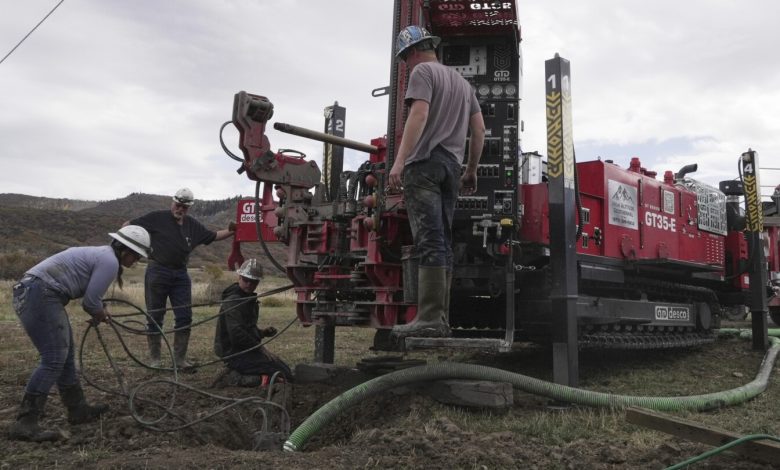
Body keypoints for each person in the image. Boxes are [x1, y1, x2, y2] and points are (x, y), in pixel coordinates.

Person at [8, 225, 151, 442]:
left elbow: (93, 299)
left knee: (64, 356)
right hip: (40, 294)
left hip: (38, 292)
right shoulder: (110, 261)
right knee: (54, 358)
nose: (137, 261)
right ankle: (25, 422)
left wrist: (98, 310)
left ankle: (77, 410)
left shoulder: (104, 255)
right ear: (125, 249)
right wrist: (100, 313)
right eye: (137, 256)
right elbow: (91, 302)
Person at [388, 25, 486, 340]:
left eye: (405, 58)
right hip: (451, 169)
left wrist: (400, 161)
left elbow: (418, 114)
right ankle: (439, 318)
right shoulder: (463, 84)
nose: (406, 64)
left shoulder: (422, 74)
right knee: (442, 240)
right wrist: (470, 170)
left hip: (425, 166)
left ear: (411, 52)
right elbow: (480, 130)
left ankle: (428, 317)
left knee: (429, 240)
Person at [125, 188, 235, 369]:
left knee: (184, 317)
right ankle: (155, 361)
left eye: (184, 207)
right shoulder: (157, 217)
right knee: (155, 316)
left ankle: (179, 360)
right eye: (178, 205)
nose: (180, 209)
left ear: (189, 207)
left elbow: (213, 236)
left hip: (180, 274)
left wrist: (233, 231)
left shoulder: (192, 225)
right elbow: (129, 225)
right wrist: (129, 246)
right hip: (157, 271)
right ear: (172, 202)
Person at [213, 259, 292, 386]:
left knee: (286, 371)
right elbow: (236, 334)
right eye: (246, 280)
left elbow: (247, 329)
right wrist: (260, 348)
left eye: (253, 281)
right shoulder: (233, 301)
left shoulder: (248, 299)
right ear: (239, 277)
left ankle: (242, 371)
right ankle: (233, 378)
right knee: (278, 375)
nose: (249, 284)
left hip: (246, 349)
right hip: (233, 352)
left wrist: (262, 333)